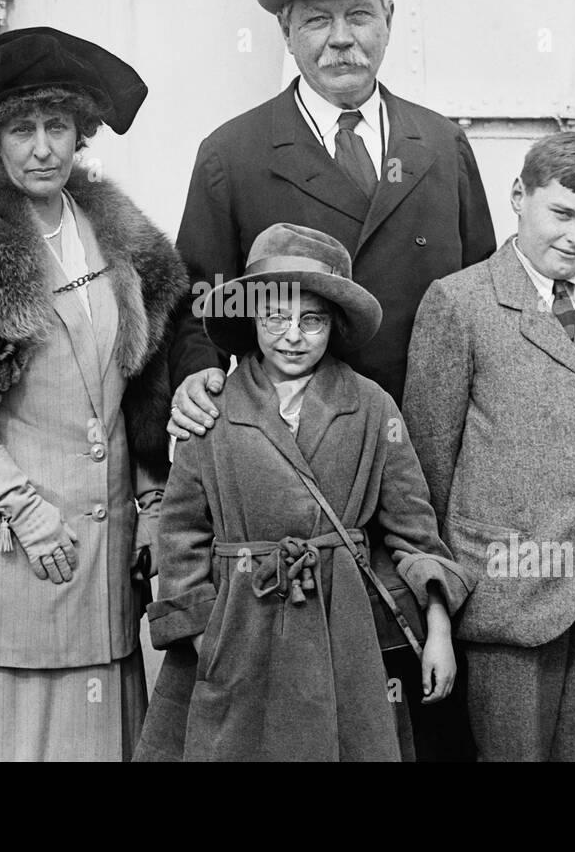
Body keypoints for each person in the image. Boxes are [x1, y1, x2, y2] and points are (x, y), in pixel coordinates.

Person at [166, 0, 496, 759]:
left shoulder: (442, 145)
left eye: (359, 15)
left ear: (388, 21)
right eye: (316, 20)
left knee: (414, 702)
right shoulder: (233, 154)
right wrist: (198, 382)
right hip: (291, 464)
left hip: (421, 462)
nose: (340, 39)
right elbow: (195, 305)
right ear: (285, 32)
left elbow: (485, 291)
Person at [0, 26, 186, 761]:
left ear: (81, 131)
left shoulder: (110, 230)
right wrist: (26, 510)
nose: (42, 148)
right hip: (6, 551)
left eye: (57, 126)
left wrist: (153, 502)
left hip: (101, 557)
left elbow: (142, 388)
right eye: (22, 129)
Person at [135, 223, 471, 761]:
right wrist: (208, 639)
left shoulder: (373, 407)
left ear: (334, 324)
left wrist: (438, 630)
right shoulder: (212, 410)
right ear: (252, 318)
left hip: (344, 635)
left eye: (311, 320)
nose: (293, 335)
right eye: (275, 315)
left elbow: (415, 532)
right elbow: (182, 534)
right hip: (238, 626)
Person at [403, 131, 575, 761]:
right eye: (562, 214)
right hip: (510, 598)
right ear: (519, 196)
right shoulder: (458, 305)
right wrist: (436, 605)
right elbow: (424, 474)